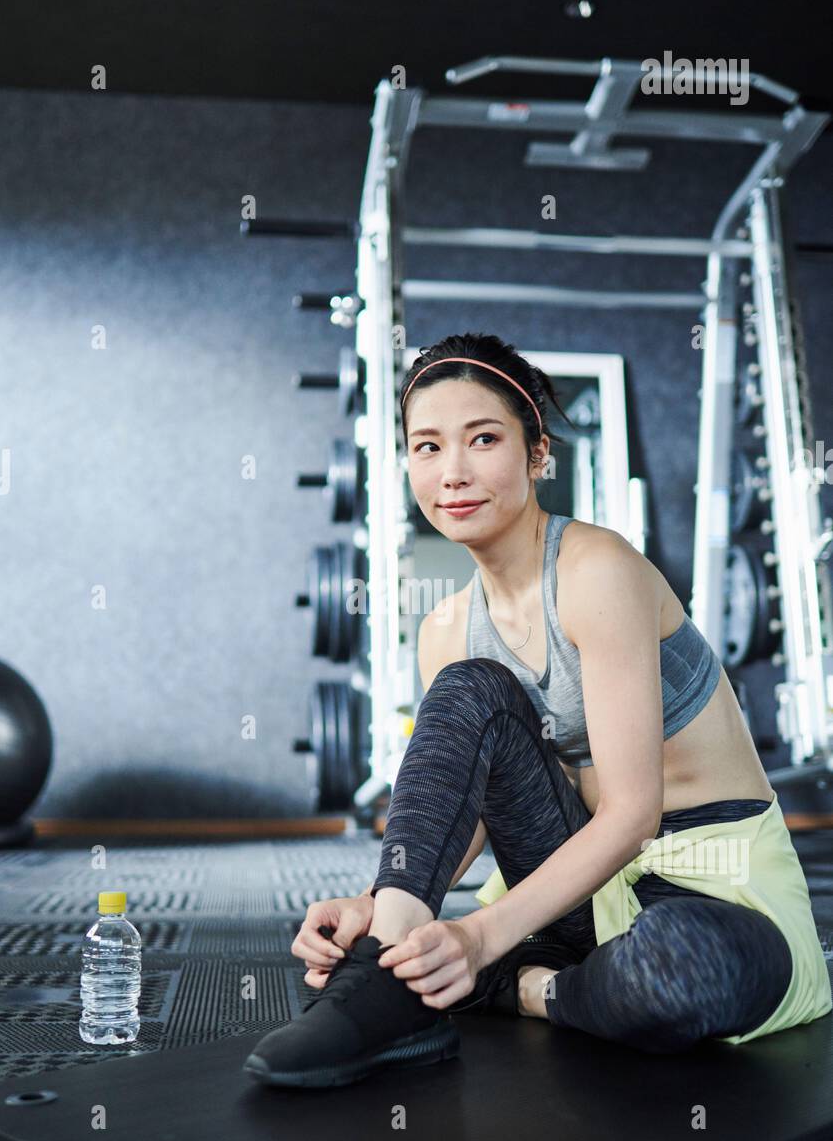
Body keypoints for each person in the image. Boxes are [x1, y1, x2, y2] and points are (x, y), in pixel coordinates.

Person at [244, 332, 831, 1089]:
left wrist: (481, 942)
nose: (452, 472)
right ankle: (385, 980)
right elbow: (470, 808)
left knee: (675, 973)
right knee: (465, 688)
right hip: (577, 888)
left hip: (716, 884)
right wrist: (377, 907)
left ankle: (526, 989)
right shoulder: (446, 628)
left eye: (482, 439)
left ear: (537, 455)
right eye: (426, 447)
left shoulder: (598, 571)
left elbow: (632, 815)